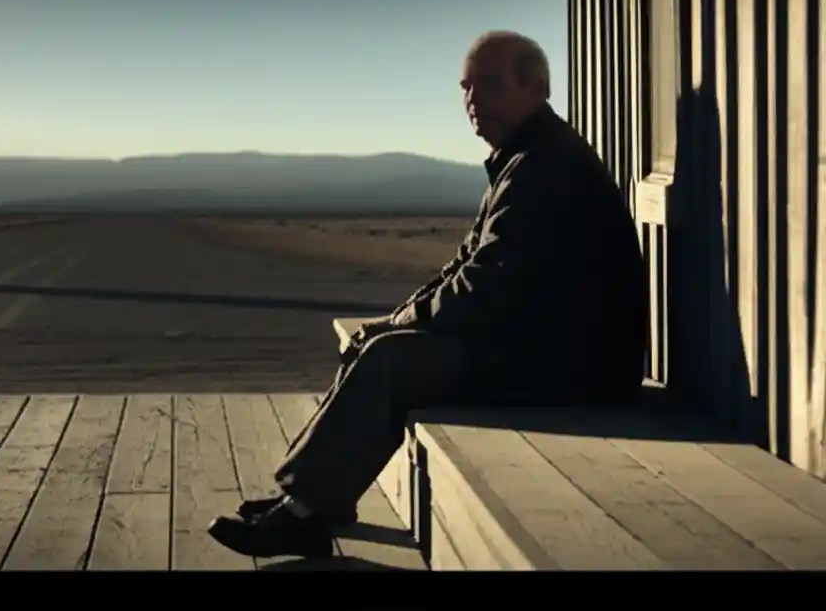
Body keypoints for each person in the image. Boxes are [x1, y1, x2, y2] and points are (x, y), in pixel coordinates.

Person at [206, 30, 649, 559]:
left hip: (577, 365)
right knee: (379, 344)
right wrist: (398, 317)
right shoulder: (523, 157)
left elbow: (484, 285)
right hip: (541, 344)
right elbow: (465, 265)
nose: (473, 101)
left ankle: (304, 511)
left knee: (391, 361)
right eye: (466, 88)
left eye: (490, 85)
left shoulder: (546, 169)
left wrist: (402, 325)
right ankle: (311, 501)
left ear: (537, 89)